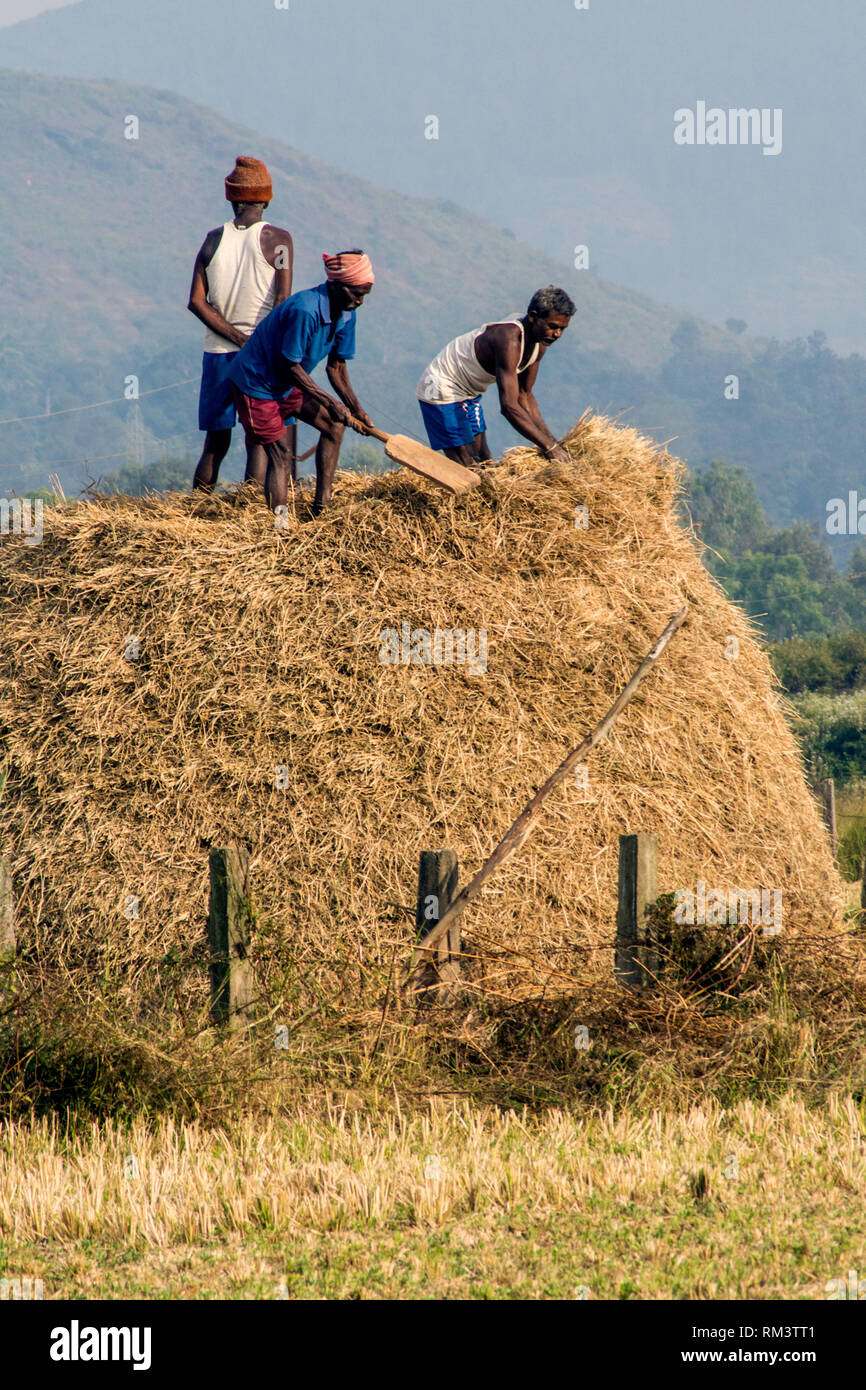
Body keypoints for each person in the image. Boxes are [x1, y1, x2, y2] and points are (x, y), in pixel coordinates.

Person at [229, 250, 375, 515]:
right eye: (356, 293)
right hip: (257, 384)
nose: (360, 301)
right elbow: (290, 365)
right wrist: (331, 401)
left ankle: (322, 510)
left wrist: (355, 409)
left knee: (334, 426)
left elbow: (337, 366)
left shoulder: (347, 312)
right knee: (281, 456)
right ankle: (280, 527)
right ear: (335, 285)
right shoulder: (305, 310)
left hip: (286, 384)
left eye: (365, 294)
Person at [188, 156, 294, 491]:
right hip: (260, 355)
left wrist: (234, 335)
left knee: (215, 443)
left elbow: (196, 302)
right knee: (261, 437)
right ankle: (251, 510)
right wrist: (255, 341)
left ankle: (194, 513)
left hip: (218, 352)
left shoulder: (211, 240)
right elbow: (282, 302)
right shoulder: (280, 240)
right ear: (266, 199)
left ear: (232, 198)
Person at [416, 286, 576, 468]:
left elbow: (524, 396)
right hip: (440, 386)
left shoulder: (539, 345)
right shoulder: (508, 340)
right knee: (467, 465)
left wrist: (553, 442)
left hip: (470, 392)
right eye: (553, 326)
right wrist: (549, 447)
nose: (557, 334)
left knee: (485, 461)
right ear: (533, 316)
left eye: (563, 329)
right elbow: (509, 406)